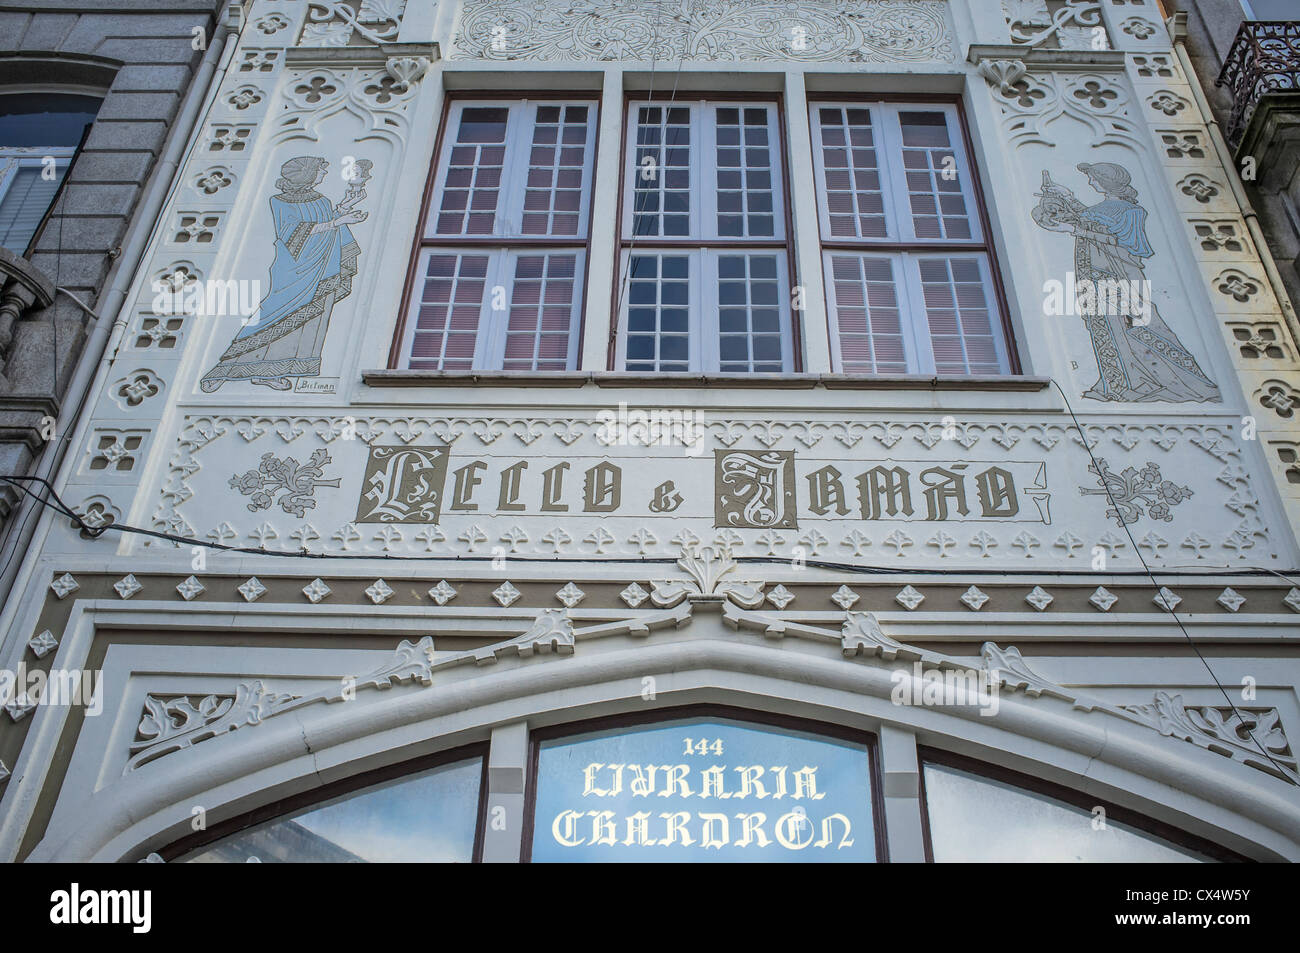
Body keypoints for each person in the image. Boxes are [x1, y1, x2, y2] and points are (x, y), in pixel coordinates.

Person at [1031, 162, 1220, 403]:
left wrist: (1077, 231)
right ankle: (1118, 383)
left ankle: (1171, 381)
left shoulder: (1132, 212)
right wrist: (1065, 195)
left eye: (1094, 178)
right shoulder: (1106, 207)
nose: (1091, 182)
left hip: (1118, 280)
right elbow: (1087, 216)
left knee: (1136, 327)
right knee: (1106, 329)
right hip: (1095, 280)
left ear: (1107, 181)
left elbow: (1124, 245)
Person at [200, 156, 365, 392]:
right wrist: (338, 221)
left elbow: (327, 219)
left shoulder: (322, 199)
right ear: (307, 175)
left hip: (323, 266)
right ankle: (225, 369)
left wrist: (346, 207)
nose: (324, 175)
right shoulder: (280, 202)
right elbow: (293, 233)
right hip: (294, 269)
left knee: (313, 318)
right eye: (320, 171)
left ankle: (271, 372)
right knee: (274, 313)